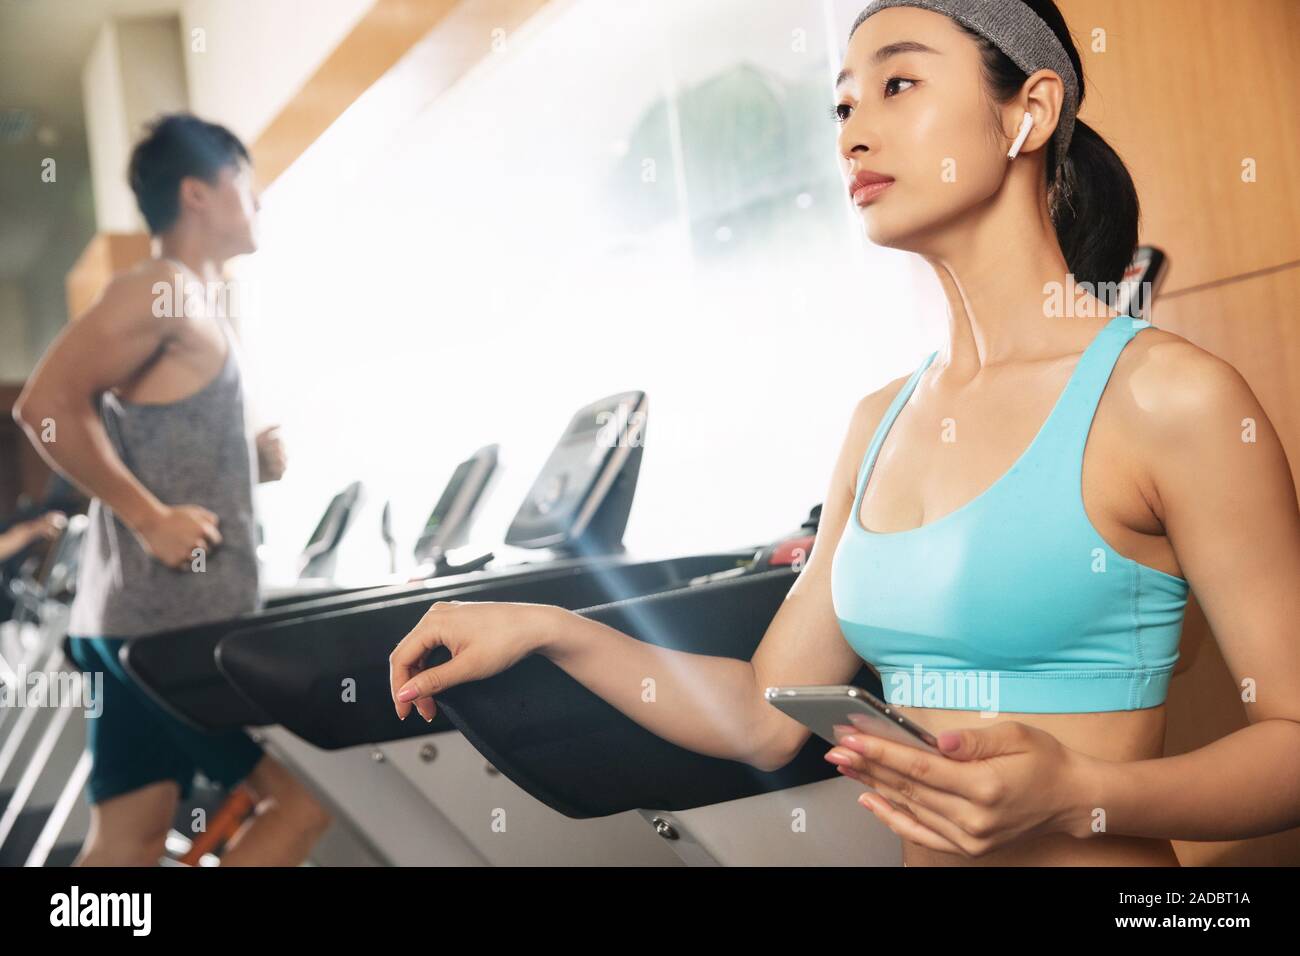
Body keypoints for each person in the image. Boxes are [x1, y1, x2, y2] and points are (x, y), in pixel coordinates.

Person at [388, 0, 1300, 866]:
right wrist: (552, 629)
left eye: (899, 85)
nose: (854, 131)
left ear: (1030, 110)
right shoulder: (881, 422)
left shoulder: (1170, 399)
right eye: (843, 103)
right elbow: (763, 713)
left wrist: (1079, 794)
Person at [14, 113, 330, 866]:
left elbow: (152, 433)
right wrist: (148, 516)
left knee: (127, 841)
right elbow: (44, 407)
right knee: (297, 809)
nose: (258, 205)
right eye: (245, 187)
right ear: (197, 193)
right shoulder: (164, 289)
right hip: (164, 631)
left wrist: (243, 459)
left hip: (133, 623)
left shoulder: (199, 302)